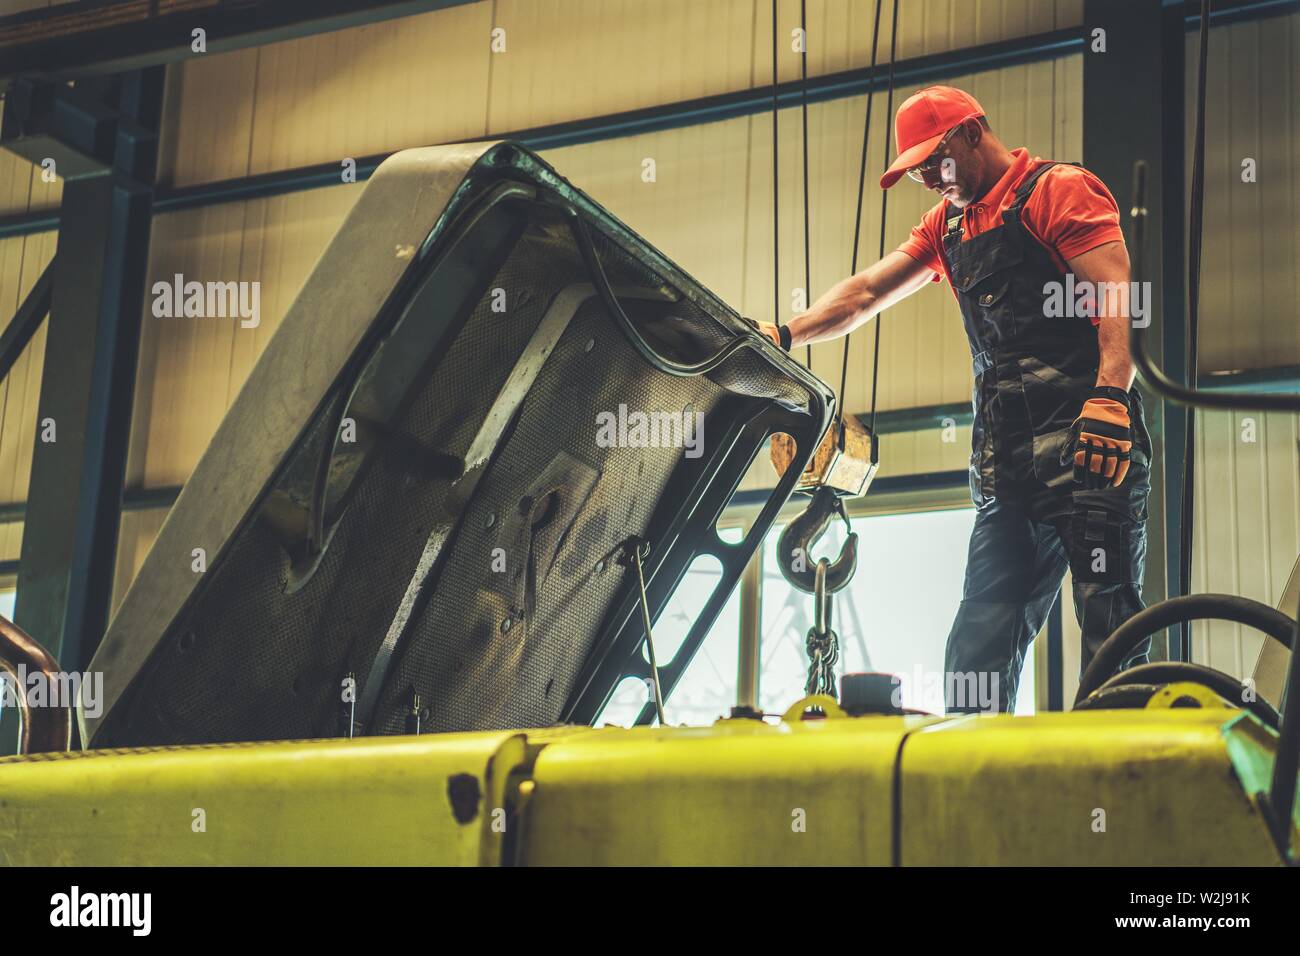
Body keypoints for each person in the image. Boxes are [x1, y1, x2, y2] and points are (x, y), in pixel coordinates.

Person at [757, 86, 1152, 713]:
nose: (926, 180)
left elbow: (1116, 292)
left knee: (1108, 625)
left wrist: (1110, 393)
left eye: (932, 163)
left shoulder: (1057, 190)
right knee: (978, 643)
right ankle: (975, 785)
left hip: (1089, 446)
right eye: (914, 171)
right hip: (1008, 468)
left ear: (973, 133)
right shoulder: (950, 225)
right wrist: (784, 335)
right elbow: (864, 294)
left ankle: (1117, 784)